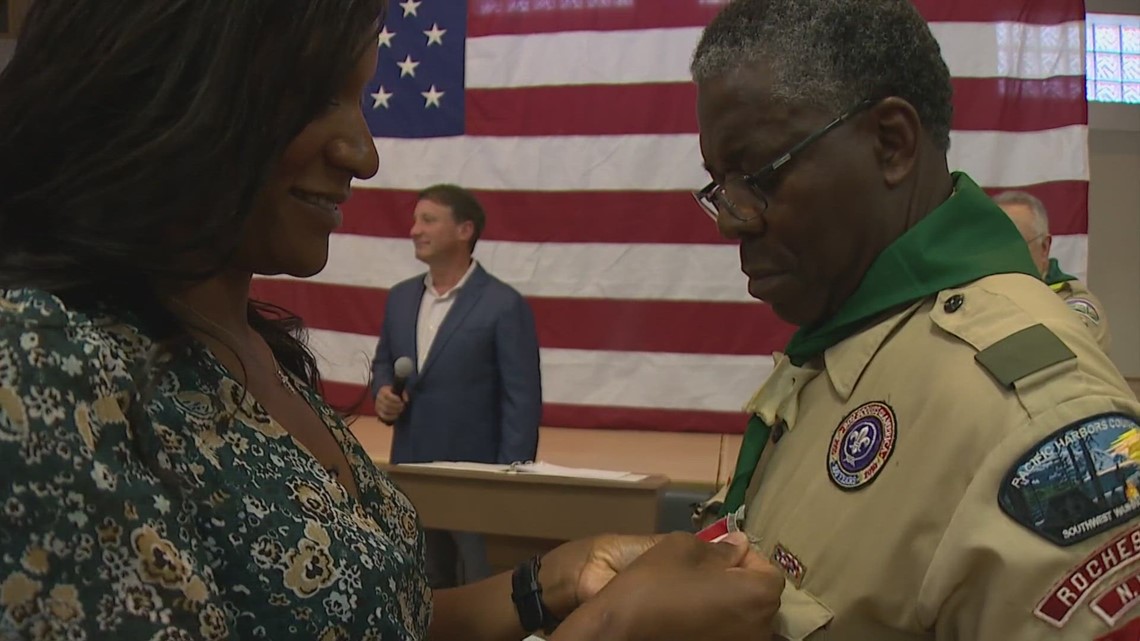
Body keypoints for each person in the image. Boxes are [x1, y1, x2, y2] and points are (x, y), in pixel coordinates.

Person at [0, 2, 786, 640]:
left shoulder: (254, 346)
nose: (363, 152)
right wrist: (612, 627)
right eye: (319, 97)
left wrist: (555, 578)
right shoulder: (41, 362)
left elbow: (366, 618)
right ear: (167, 84)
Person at [690, 0, 1140, 639]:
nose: (732, 222)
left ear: (891, 143)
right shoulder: (855, 341)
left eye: (756, 176)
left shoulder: (1039, 417)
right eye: (721, 186)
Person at [371, 185, 542, 588]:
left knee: (484, 588)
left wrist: (509, 480)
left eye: (428, 220)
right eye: (415, 220)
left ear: (465, 230)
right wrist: (383, 393)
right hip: (412, 474)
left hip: (477, 482)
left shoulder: (503, 304)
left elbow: (521, 401)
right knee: (423, 586)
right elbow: (384, 363)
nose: (414, 230)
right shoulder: (400, 298)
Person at [994, 189, 1112, 351]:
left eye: (1015, 245)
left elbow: (1054, 355)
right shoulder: (974, 295)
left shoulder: (1074, 303)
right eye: (994, 244)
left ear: (1044, 248)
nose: (1002, 255)